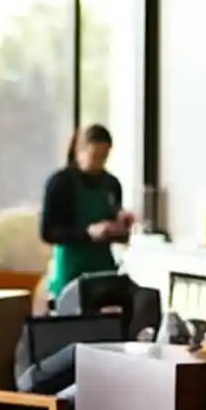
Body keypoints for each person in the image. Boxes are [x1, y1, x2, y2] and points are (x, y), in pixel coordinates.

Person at [41, 124, 136, 300]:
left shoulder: (111, 184)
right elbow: (48, 232)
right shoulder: (61, 183)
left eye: (104, 157)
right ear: (80, 152)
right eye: (95, 156)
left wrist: (121, 226)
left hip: (102, 269)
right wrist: (87, 232)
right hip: (71, 270)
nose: (99, 163)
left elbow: (115, 223)